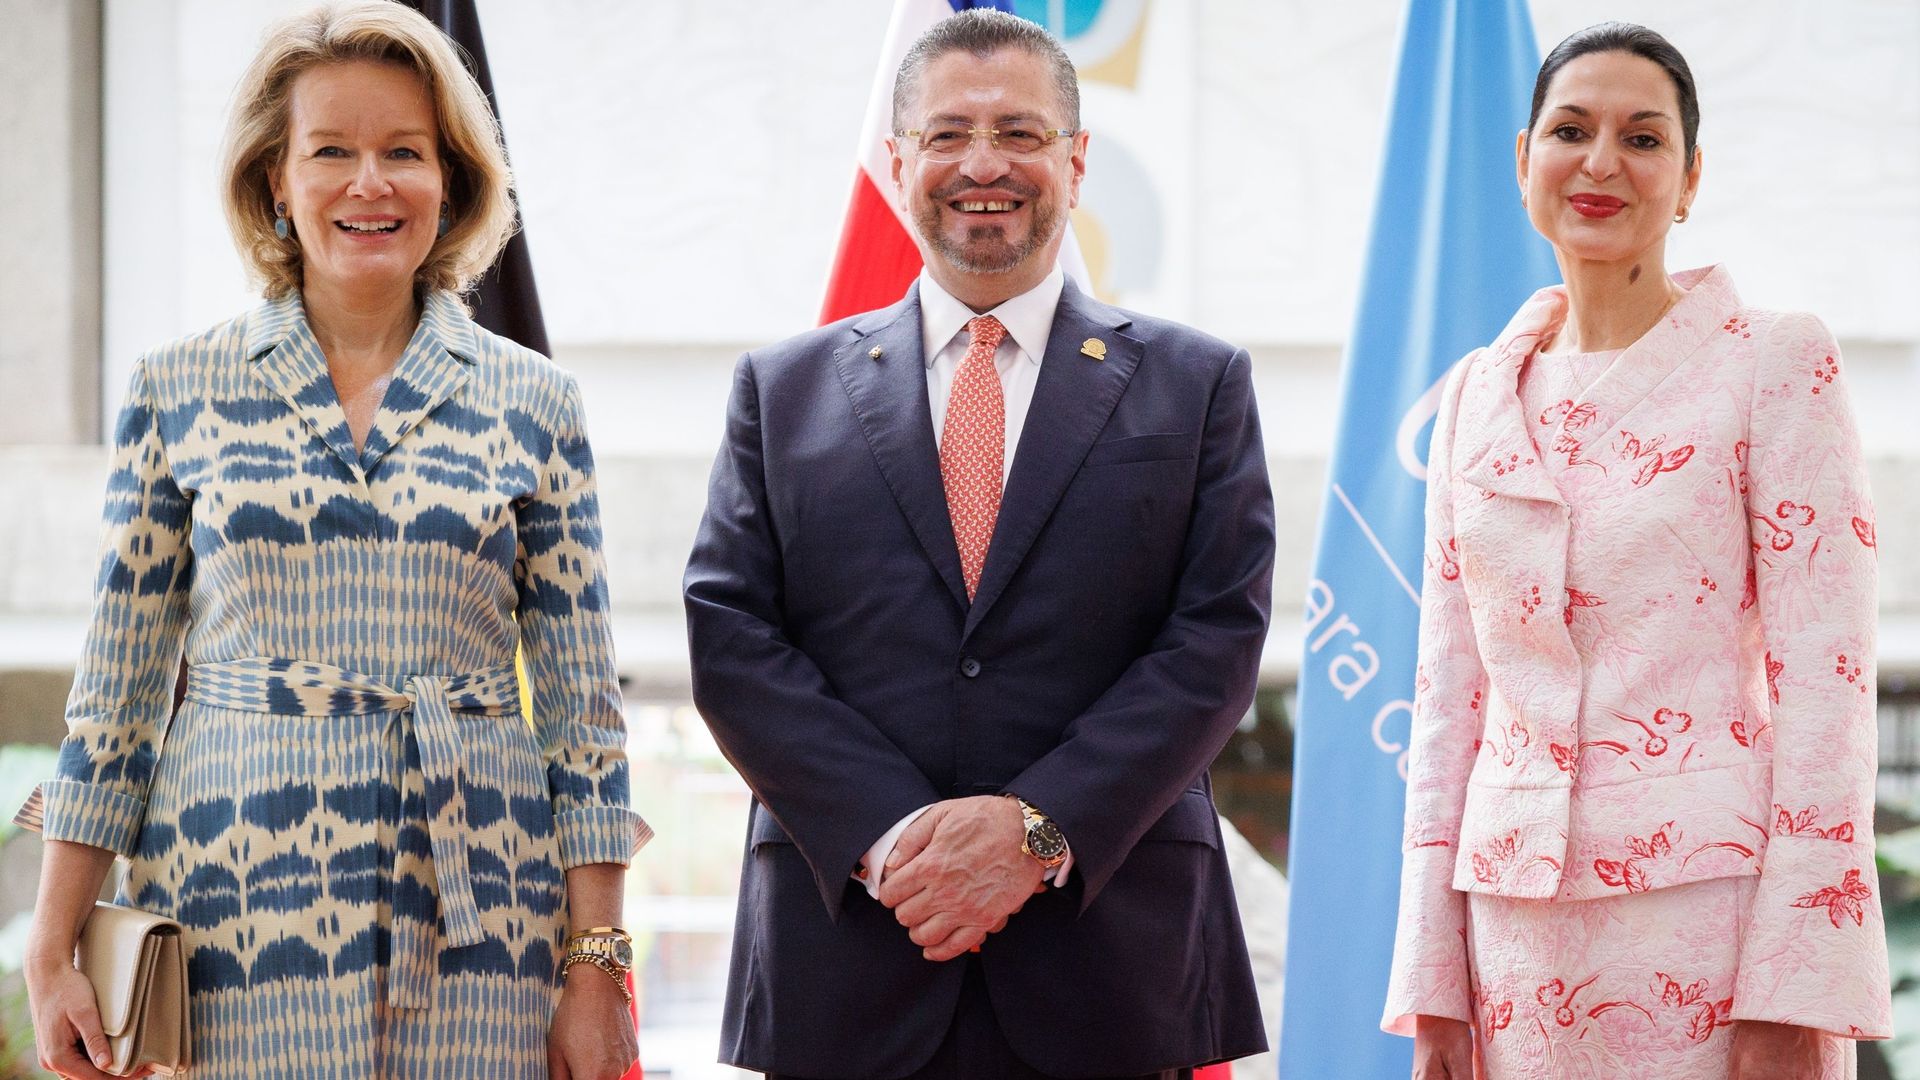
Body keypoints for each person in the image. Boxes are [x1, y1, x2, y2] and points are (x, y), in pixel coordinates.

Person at [16, 4, 647, 1078]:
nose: (371, 183)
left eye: (404, 152)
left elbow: (584, 718)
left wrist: (596, 968)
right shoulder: (178, 388)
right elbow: (115, 695)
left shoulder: (537, 402)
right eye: (331, 152)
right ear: (276, 177)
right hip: (227, 914)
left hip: (484, 918)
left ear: (449, 179)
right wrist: (50, 946)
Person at [683, 10, 1273, 1080]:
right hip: (850, 957)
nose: (984, 165)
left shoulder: (1198, 385)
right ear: (898, 161)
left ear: (1076, 161)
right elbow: (731, 641)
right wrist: (897, 843)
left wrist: (1035, 832)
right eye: (948, 134)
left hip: (1109, 968)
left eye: (1020, 133)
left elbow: (1215, 642)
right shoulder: (781, 390)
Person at [1383, 21, 1890, 1080]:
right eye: (1571, 130)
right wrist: (1433, 987)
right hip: (1512, 938)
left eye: (1643, 138)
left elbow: (1829, 687)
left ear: (1691, 177)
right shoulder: (1475, 391)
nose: (1601, 162)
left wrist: (1796, 988)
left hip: (1711, 926)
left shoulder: (1775, 360)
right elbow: (1447, 700)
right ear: (1524, 158)